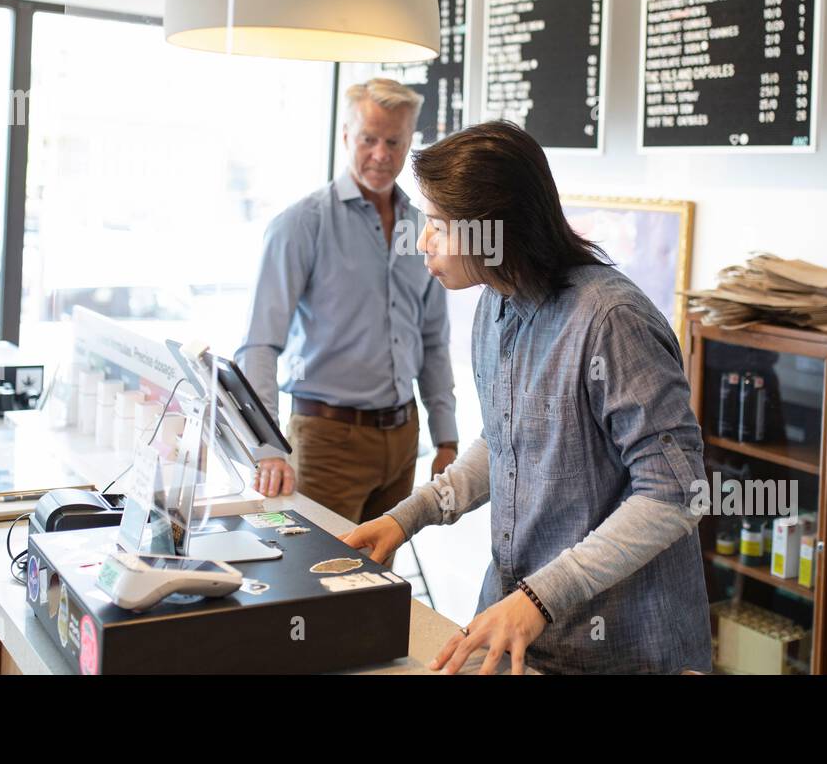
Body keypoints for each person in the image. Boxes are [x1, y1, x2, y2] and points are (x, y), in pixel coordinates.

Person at [341, 121, 712, 675]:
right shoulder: (494, 306)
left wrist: (541, 598)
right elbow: (505, 441)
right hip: (519, 629)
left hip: (623, 649)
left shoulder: (611, 320)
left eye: (439, 224)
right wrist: (408, 517)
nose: (423, 241)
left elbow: (676, 493)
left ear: (495, 230)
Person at [234, 78, 458, 526]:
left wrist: (446, 437)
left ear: (409, 141)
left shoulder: (423, 227)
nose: (381, 153)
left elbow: (433, 340)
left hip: (403, 439)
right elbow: (259, 344)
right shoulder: (301, 224)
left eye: (393, 141)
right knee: (320, 584)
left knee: (374, 585)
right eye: (368, 139)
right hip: (327, 441)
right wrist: (267, 446)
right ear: (345, 137)